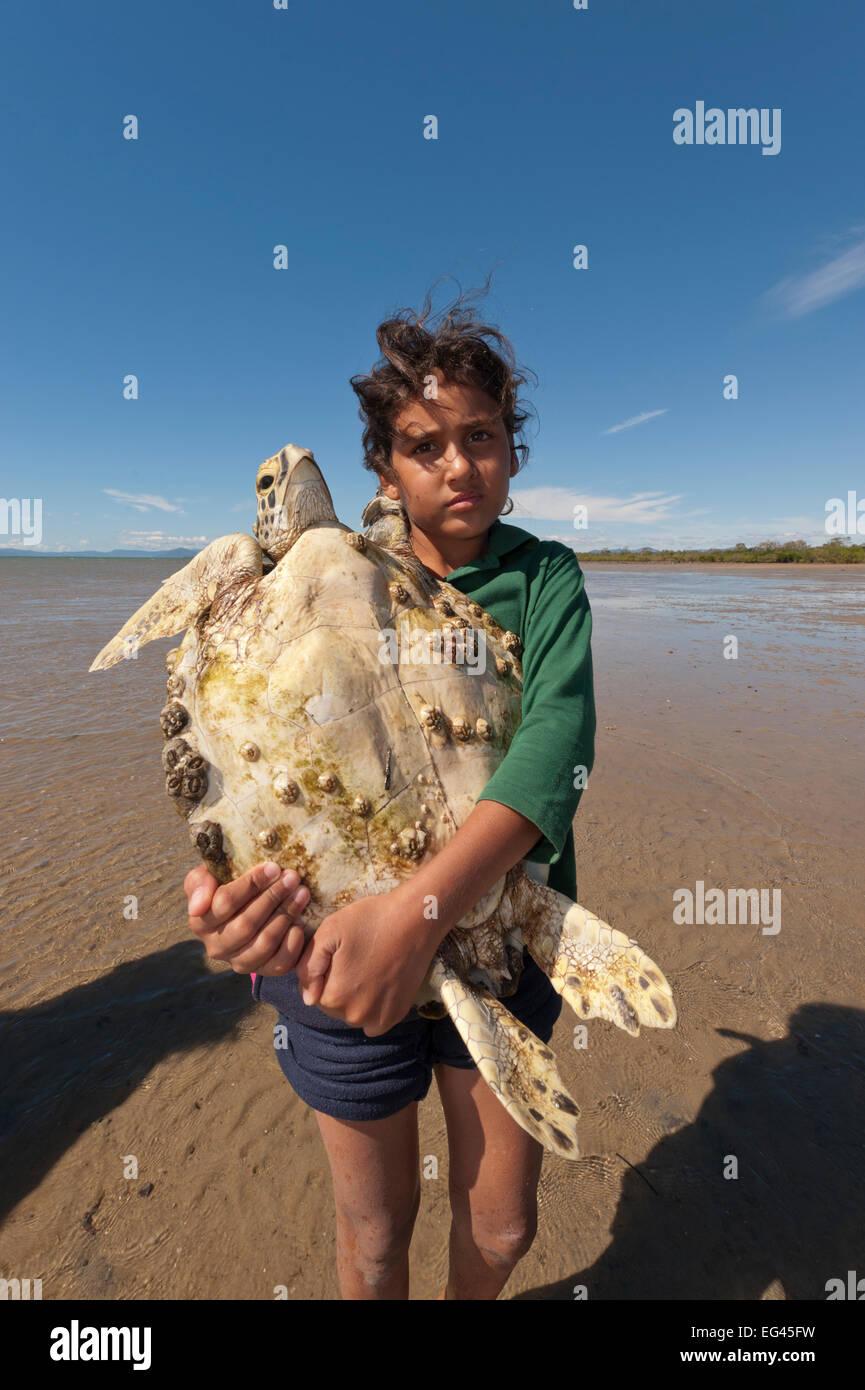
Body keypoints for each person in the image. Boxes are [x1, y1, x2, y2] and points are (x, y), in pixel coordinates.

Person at [184, 285, 596, 1299]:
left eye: (483, 435)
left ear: (513, 449)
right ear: (384, 466)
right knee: (373, 1237)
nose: (459, 463)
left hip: (500, 932)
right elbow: (255, 743)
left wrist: (422, 912)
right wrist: (230, 892)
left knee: (500, 1225)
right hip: (341, 953)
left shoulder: (544, 577)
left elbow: (555, 744)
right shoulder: (328, 579)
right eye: (424, 444)